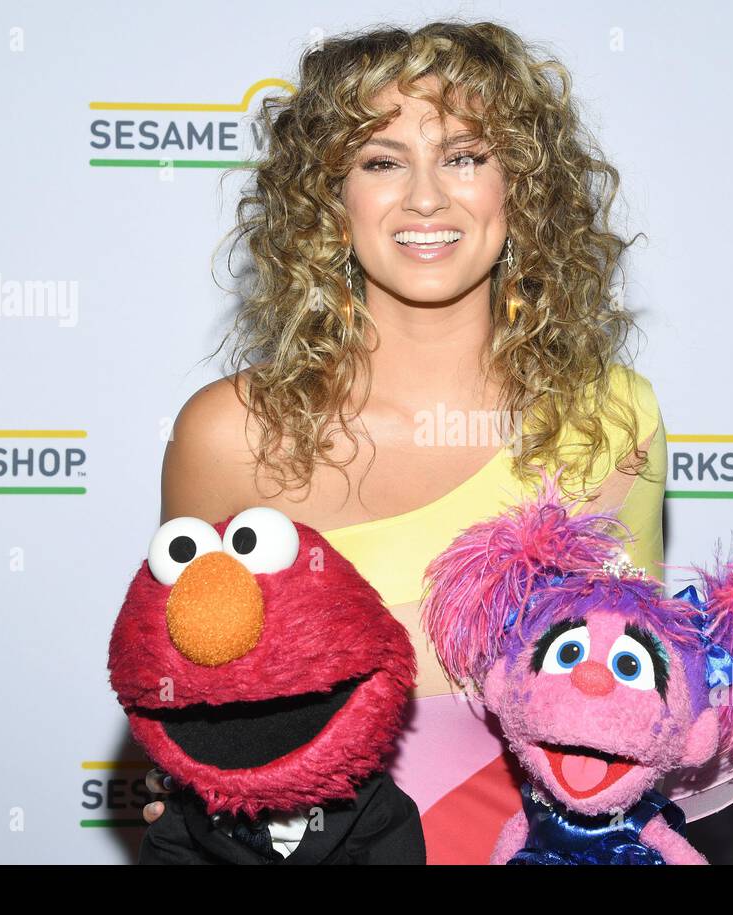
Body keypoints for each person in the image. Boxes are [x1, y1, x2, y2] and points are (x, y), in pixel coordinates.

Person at [142, 20, 669, 864]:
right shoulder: (231, 435)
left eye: (464, 156)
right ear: (329, 197)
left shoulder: (609, 420)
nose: (427, 198)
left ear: (522, 187)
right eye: (382, 161)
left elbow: (647, 708)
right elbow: (185, 714)